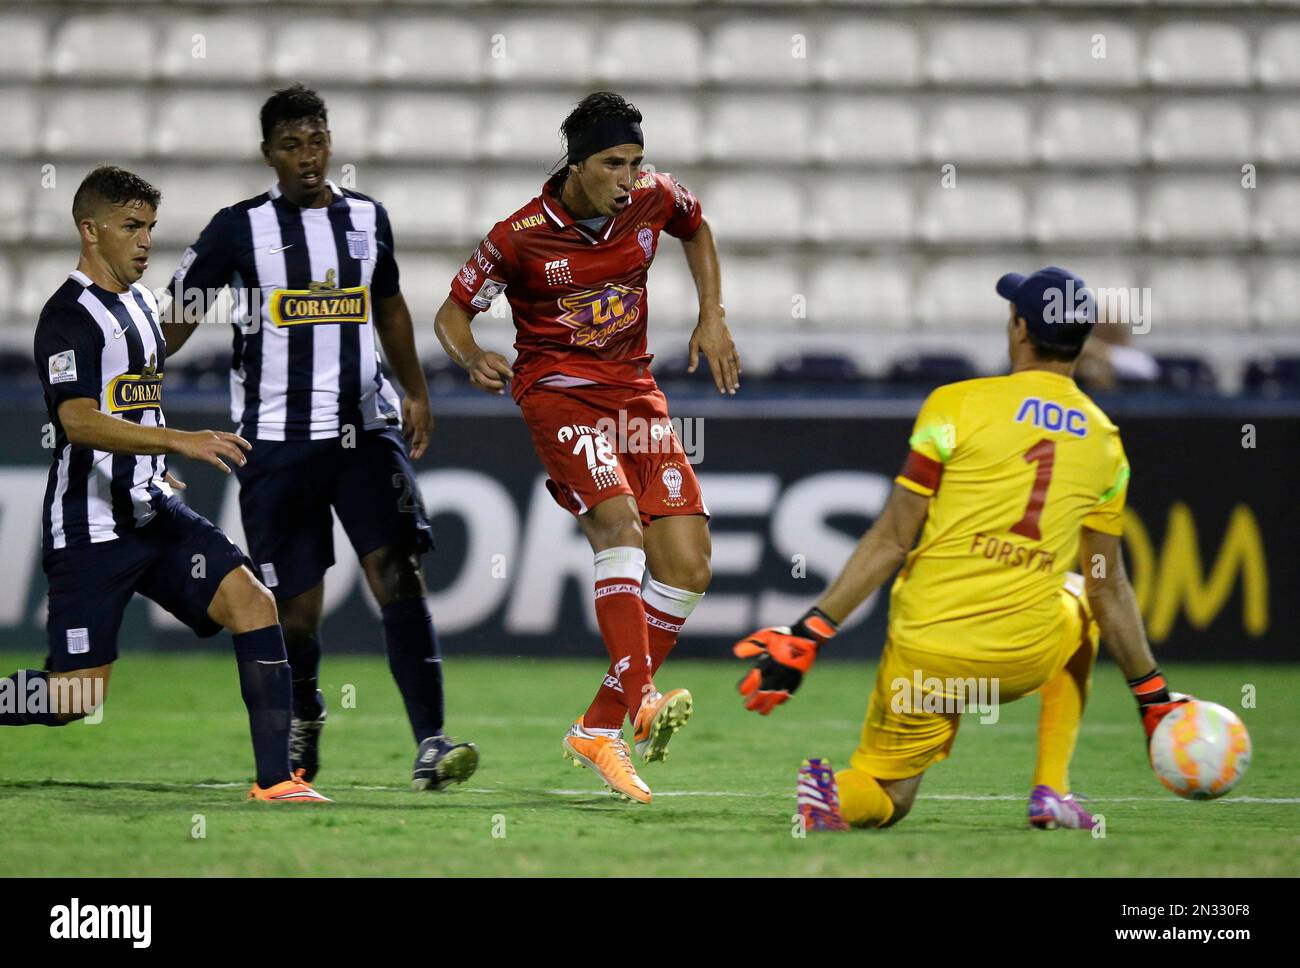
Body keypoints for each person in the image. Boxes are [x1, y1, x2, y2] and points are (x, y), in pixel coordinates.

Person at [734, 266, 1190, 830]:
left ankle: (834, 800)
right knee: (1080, 593)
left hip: (927, 653)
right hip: (1019, 659)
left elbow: (891, 538)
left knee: (887, 795)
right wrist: (1153, 697)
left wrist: (810, 632)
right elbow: (1108, 586)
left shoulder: (953, 405)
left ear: (1019, 329)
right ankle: (1052, 788)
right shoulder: (1106, 445)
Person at [162, 86, 476, 791]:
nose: (308, 157)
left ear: (331, 142)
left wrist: (415, 390)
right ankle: (305, 712)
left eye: (317, 140)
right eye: (291, 146)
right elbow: (178, 316)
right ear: (269, 154)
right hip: (274, 445)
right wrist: (133, 360)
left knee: (397, 571)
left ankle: (432, 741)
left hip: (364, 431)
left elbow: (389, 306)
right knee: (296, 612)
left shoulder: (367, 220)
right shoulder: (236, 229)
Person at [434, 92, 741, 803]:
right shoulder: (518, 236)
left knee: (690, 568)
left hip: (636, 393)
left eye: (636, 162)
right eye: (614, 164)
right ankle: (640, 701)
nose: (630, 177)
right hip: (558, 393)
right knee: (619, 526)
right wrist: (469, 353)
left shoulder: (654, 198)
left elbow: (696, 228)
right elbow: (453, 311)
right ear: (577, 165)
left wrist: (711, 317)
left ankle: (596, 728)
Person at [1, 165, 328, 803]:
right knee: (74, 697)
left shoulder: (143, 309)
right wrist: (180, 440)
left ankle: (276, 782)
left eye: (150, 227)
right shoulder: (67, 317)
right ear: (89, 231)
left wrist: (152, 464)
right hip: (90, 528)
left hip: (154, 512)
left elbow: (132, 408)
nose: (145, 241)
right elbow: (77, 420)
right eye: (131, 227)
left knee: (254, 605)